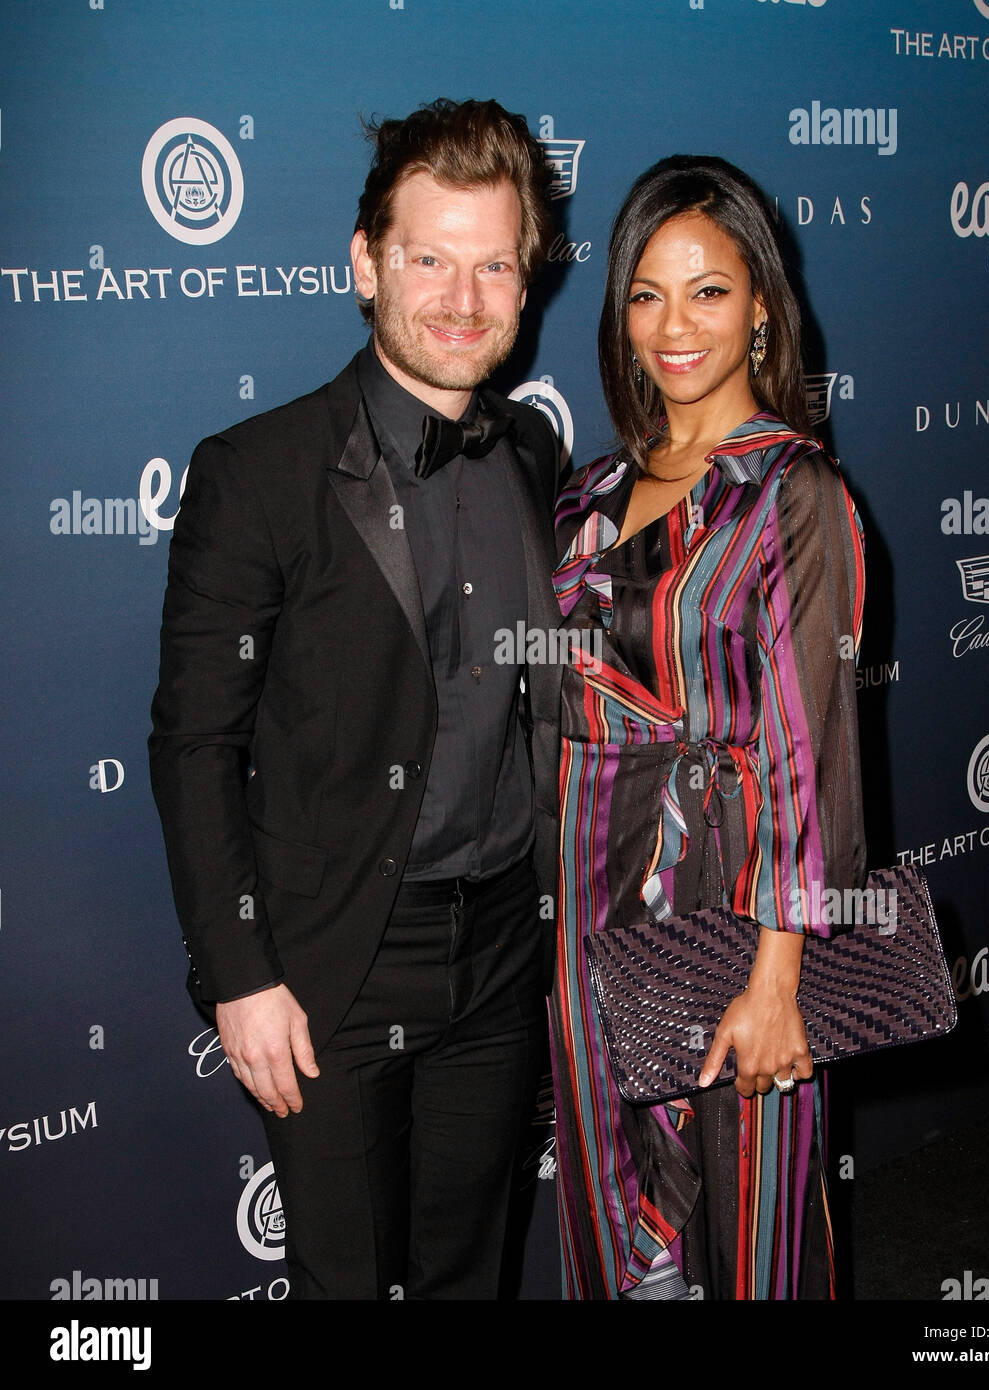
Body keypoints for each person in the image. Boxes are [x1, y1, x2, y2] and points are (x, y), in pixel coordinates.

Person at [149, 98, 562, 1300]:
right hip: (331, 959)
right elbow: (194, 744)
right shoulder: (259, 472)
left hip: (497, 949)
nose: (461, 296)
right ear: (364, 263)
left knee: (466, 1272)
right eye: (428, 256)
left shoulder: (534, 459)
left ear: (526, 285)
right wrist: (238, 972)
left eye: (493, 264)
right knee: (343, 1280)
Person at [549, 156, 866, 1300]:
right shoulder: (586, 495)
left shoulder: (791, 492)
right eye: (644, 292)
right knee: (610, 1222)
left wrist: (779, 973)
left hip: (729, 915)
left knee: (747, 1231)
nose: (670, 324)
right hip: (586, 921)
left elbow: (805, 740)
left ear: (763, 306)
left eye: (707, 290)